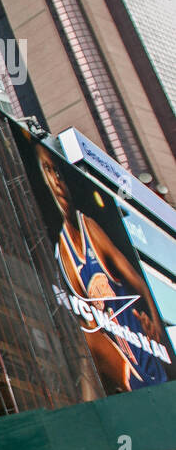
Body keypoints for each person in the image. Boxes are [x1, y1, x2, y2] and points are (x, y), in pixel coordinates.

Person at [37, 146, 167, 392]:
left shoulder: (90, 228)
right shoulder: (61, 253)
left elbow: (138, 282)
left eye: (58, 171)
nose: (56, 178)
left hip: (147, 356)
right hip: (123, 369)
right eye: (48, 170)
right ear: (44, 179)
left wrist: (157, 330)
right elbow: (84, 331)